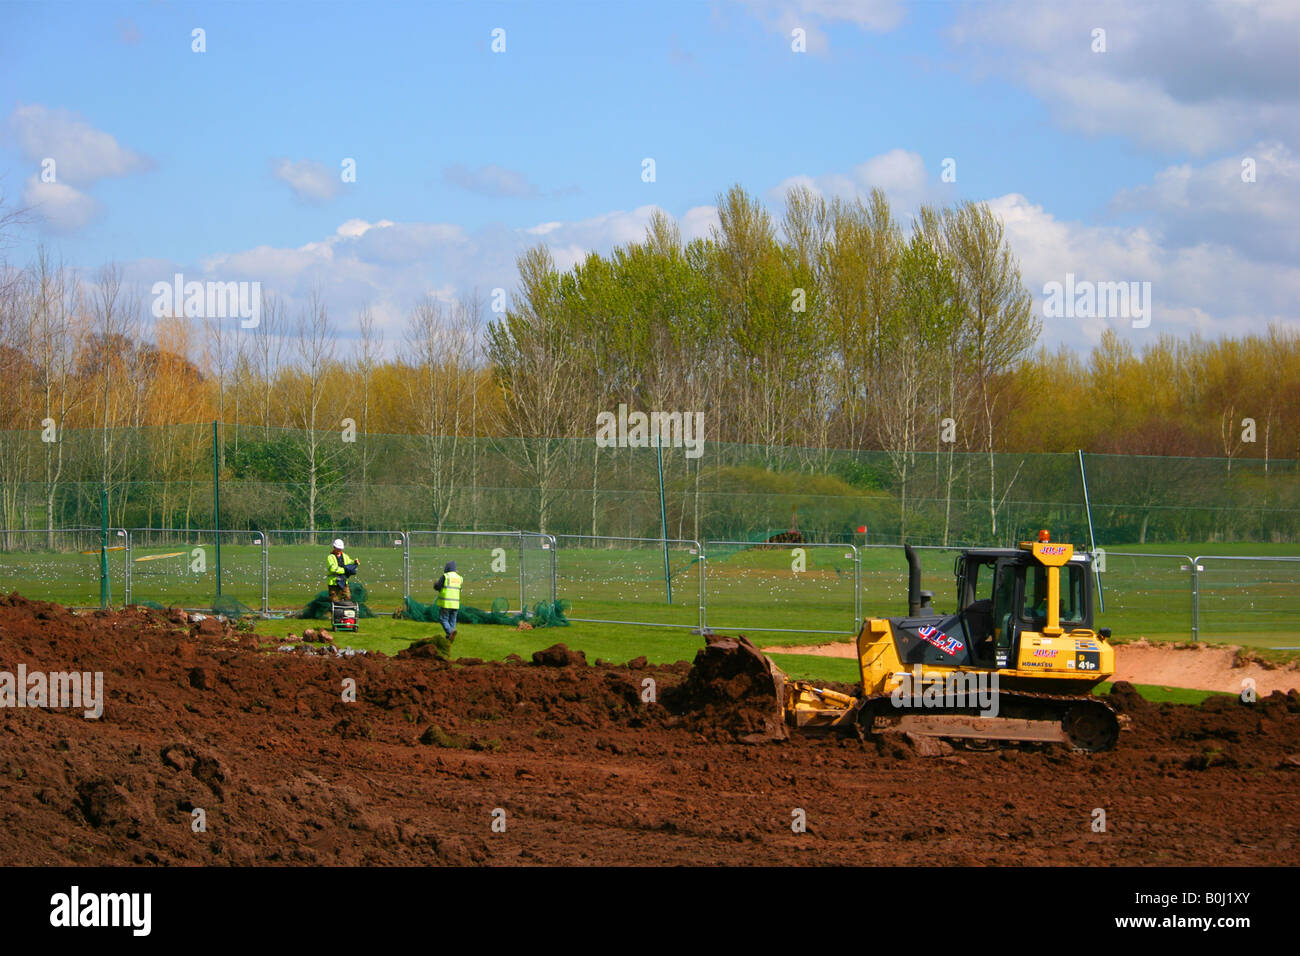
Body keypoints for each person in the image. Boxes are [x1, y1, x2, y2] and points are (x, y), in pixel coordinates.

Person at [433, 560, 463, 641]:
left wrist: (435, 584)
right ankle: (449, 636)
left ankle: (450, 633)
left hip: (446, 603)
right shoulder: (459, 577)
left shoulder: (446, 576)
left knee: (443, 619)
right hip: (456, 603)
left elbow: (438, 587)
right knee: (452, 620)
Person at [327, 539, 359, 603]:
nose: (339, 550)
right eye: (338, 548)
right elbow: (332, 569)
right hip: (333, 582)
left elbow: (350, 562)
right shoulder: (330, 557)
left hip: (343, 581)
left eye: (340, 548)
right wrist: (344, 570)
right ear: (334, 547)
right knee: (334, 600)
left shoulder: (345, 556)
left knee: (347, 597)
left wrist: (354, 562)